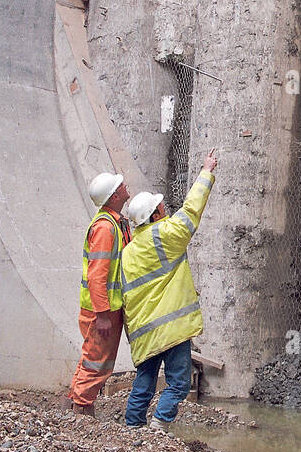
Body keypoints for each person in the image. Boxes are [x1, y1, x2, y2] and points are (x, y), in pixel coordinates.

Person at [119, 149, 217, 429]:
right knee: (179, 382)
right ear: (154, 214)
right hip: (171, 326)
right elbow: (191, 211)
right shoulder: (165, 236)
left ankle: (133, 425)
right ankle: (160, 422)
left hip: (144, 331)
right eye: (160, 208)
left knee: (145, 379)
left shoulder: (129, 251)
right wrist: (207, 172)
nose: (165, 210)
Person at [68, 171, 131, 416]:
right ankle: (82, 410)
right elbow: (97, 276)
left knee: (91, 358)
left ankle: (71, 405)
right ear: (114, 196)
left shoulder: (115, 223)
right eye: (121, 185)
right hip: (101, 310)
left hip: (103, 308)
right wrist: (103, 314)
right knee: (97, 363)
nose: (125, 186)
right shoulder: (106, 228)